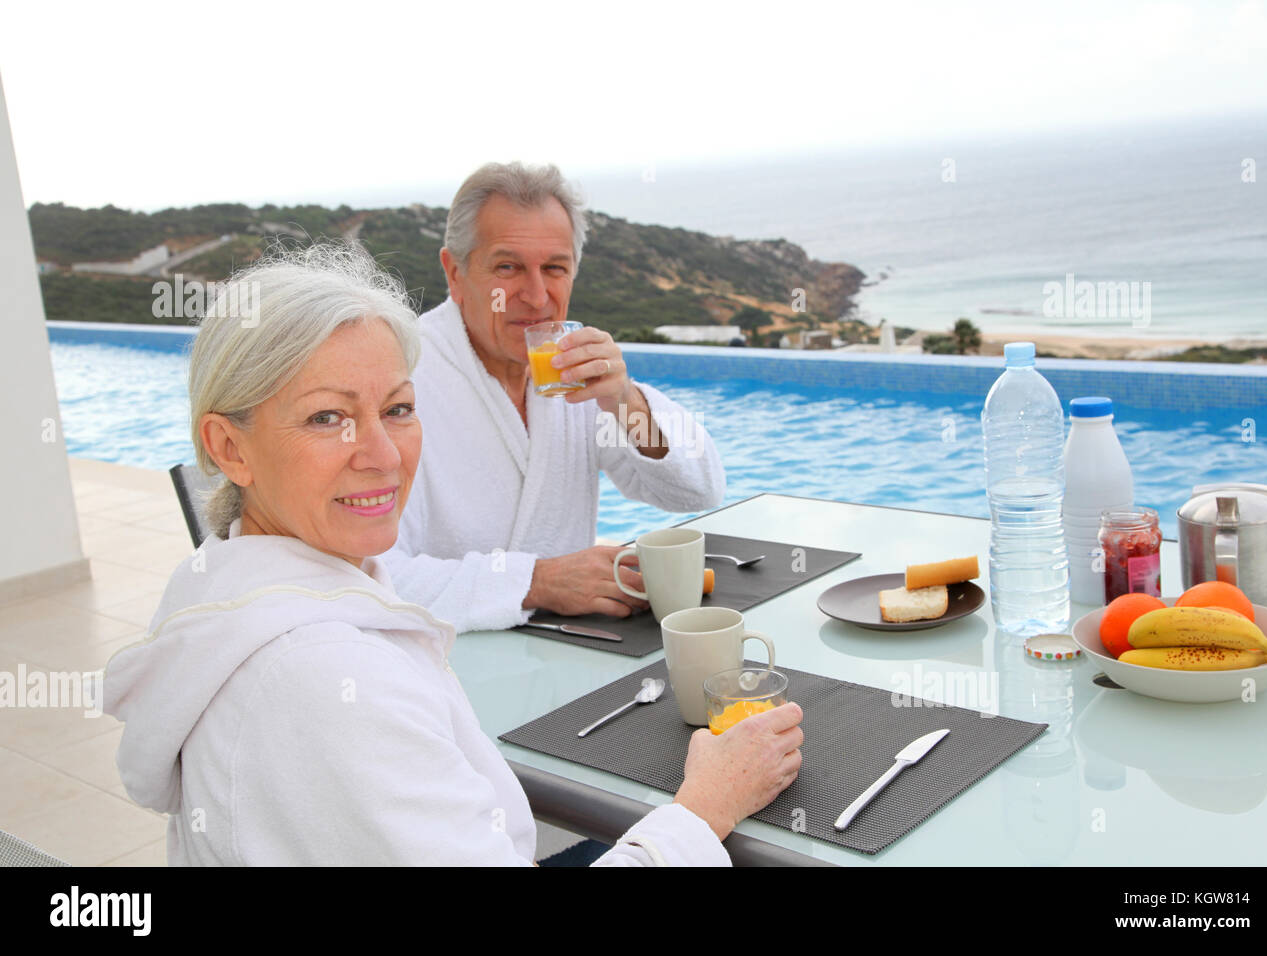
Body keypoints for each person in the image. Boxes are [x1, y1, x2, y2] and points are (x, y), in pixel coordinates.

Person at [101, 243, 802, 865]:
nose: (381, 456)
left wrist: (622, 397)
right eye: (327, 417)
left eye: (398, 409)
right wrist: (704, 808)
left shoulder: (222, 586)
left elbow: (696, 479)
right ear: (228, 448)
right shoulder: (326, 681)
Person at [381, 162, 725, 633]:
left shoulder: (572, 376)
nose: (537, 295)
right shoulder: (398, 383)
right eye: (508, 267)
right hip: (442, 667)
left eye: (555, 269)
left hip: (570, 650)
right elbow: (371, 575)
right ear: (455, 274)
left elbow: (696, 491)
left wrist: (627, 403)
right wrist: (536, 583)